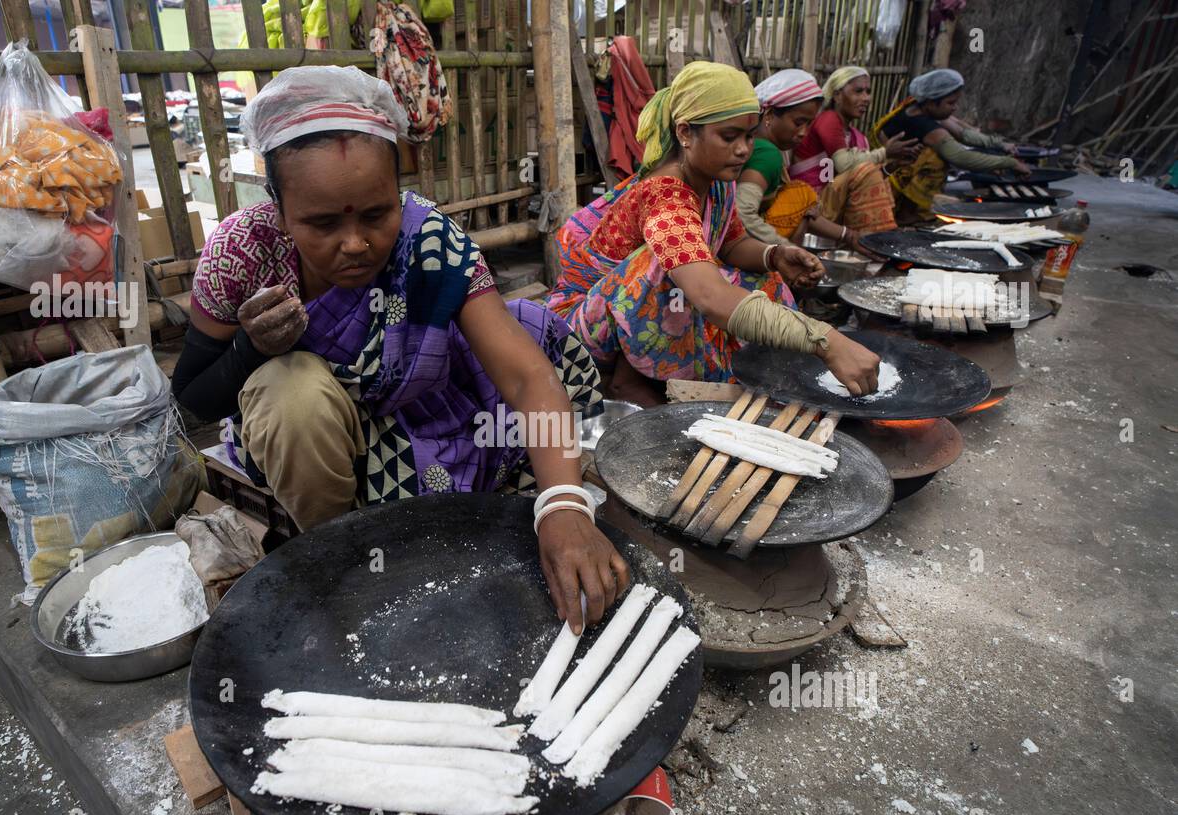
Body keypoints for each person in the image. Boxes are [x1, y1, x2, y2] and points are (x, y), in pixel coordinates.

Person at [171, 66, 625, 634]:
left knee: (531, 328)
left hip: (423, 402)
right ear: (279, 210)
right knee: (291, 395)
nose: (356, 243)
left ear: (398, 196)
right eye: (321, 223)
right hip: (315, 431)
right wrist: (249, 348)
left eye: (376, 214)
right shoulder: (241, 252)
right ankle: (343, 551)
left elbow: (527, 379)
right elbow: (191, 395)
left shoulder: (428, 239)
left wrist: (563, 504)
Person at [545, 62, 880, 408]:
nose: (743, 149)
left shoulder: (716, 183)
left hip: (627, 311)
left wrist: (775, 256)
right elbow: (707, 295)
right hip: (582, 332)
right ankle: (626, 383)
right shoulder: (664, 194)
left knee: (767, 284)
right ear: (686, 133)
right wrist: (825, 340)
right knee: (666, 269)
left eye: (749, 136)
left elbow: (732, 243)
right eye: (729, 136)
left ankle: (711, 373)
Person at [873, 68, 1029, 223]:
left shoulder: (921, 107)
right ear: (932, 103)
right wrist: (1010, 163)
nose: (955, 108)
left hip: (896, 166)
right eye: (951, 103)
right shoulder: (922, 125)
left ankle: (908, 210)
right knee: (936, 159)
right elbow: (962, 157)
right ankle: (905, 214)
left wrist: (999, 144)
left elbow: (963, 133)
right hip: (886, 175)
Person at [735, 69, 869, 250]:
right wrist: (786, 250)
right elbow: (742, 214)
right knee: (800, 195)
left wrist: (849, 236)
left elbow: (798, 211)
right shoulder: (767, 153)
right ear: (769, 115)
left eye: (808, 124)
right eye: (798, 123)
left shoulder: (763, 148)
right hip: (746, 250)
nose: (803, 133)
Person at [789, 66, 919, 235]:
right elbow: (844, 165)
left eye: (868, 91)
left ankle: (874, 236)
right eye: (858, 91)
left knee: (872, 172)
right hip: (808, 201)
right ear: (837, 95)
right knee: (867, 170)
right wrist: (884, 153)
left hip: (832, 200)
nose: (866, 98)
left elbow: (859, 179)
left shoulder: (856, 136)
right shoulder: (828, 120)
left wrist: (891, 165)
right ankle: (876, 238)